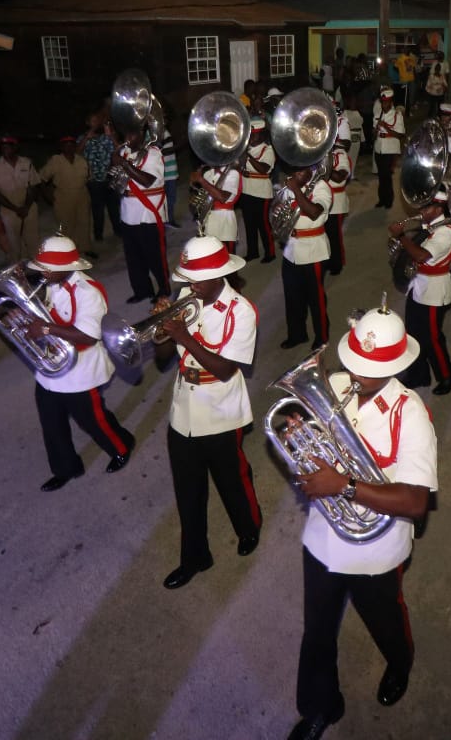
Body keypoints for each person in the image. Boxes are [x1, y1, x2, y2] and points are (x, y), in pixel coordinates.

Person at [287, 302, 438, 740]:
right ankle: (320, 707)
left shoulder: (410, 414)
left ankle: (399, 663)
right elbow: (314, 457)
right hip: (323, 541)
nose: (354, 376)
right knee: (316, 631)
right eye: (352, 363)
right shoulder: (333, 384)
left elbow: (415, 502)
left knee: (385, 622)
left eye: (367, 369)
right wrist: (304, 439)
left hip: (378, 549)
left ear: (394, 366)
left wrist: (344, 485)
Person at [154, 236, 261, 590]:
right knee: (188, 489)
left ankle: (248, 529)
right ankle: (195, 556)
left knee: (232, 479)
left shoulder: (241, 311)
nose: (189, 285)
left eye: (196, 279)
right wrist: (162, 332)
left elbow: (226, 369)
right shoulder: (188, 298)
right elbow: (162, 361)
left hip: (220, 409)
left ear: (219, 275)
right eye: (187, 278)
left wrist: (182, 336)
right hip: (183, 408)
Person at [17, 234, 134, 491]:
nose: (41, 273)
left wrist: (45, 329)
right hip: (51, 368)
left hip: (82, 370)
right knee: (51, 421)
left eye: (46, 269)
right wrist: (23, 317)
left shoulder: (89, 293)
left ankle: (121, 446)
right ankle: (66, 468)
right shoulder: (48, 283)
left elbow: (88, 336)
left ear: (66, 268)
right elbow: (42, 314)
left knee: (92, 420)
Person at [391, 193, 451, 395]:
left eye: (426, 208)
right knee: (413, 333)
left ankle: (448, 376)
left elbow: (422, 255)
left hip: (434, 292)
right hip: (418, 287)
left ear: (439, 209)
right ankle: (419, 375)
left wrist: (402, 237)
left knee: (432, 338)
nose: (421, 212)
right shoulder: (431, 228)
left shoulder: (446, 232)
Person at [112, 123, 169, 303]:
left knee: (154, 256)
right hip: (128, 212)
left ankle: (164, 289)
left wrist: (124, 165)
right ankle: (142, 290)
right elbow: (118, 179)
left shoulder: (153, 154)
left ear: (142, 134)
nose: (128, 138)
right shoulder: (124, 152)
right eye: (126, 133)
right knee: (133, 257)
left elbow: (146, 180)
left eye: (132, 134)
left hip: (148, 213)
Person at [279, 165, 333, 350]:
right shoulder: (289, 187)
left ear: (311, 170)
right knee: (292, 296)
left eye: (301, 171)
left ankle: (322, 336)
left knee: (315, 298)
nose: (296, 175)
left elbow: (314, 212)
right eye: (294, 171)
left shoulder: (321, 187)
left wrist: (295, 189)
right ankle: (297, 334)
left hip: (313, 250)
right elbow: (281, 212)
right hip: (291, 249)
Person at [0, 135, 41, 261]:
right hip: (9, 211)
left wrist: (26, 207)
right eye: (2, 147)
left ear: (15, 147)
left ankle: (38, 269)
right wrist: (16, 209)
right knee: (14, 244)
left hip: (28, 208)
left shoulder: (26, 163)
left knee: (33, 241)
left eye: (8, 146)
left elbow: (33, 186)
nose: (5, 149)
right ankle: (19, 273)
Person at [240, 118, 278, 262]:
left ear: (262, 135)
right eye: (250, 135)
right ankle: (252, 251)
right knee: (249, 223)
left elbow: (264, 169)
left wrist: (248, 157)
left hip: (261, 192)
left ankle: (270, 253)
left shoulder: (267, 150)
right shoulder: (245, 149)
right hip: (246, 190)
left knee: (263, 223)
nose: (251, 138)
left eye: (254, 135)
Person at [82, 113, 120, 243]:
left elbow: (120, 149)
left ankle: (118, 230)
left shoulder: (106, 137)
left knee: (114, 207)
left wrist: (111, 135)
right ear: (87, 122)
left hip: (110, 177)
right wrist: (87, 137)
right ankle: (98, 234)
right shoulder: (84, 138)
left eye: (98, 120)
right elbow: (75, 152)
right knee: (97, 210)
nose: (96, 123)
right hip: (94, 180)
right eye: (93, 120)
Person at [193, 158, 242, 252]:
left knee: (228, 258)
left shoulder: (232, 173)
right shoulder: (208, 173)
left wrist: (201, 180)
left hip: (225, 221)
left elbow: (222, 197)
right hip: (207, 221)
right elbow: (202, 196)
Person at [371, 89, 406, 210]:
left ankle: (389, 200)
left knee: (386, 175)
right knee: (381, 175)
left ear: (391, 102)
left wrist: (386, 127)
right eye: (382, 102)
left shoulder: (397, 115)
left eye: (386, 102)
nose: (384, 105)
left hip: (390, 149)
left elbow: (401, 135)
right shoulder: (377, 114)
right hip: (379, 148)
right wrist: (374, 132)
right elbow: (373, 133)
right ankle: (381, 199)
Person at [326, 122, 352, 274]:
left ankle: (337, 264)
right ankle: (328, 260)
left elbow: (340, 177)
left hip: (336, 202)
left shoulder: (340, 155)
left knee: (334, 235)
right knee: (326, 235)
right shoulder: (323, 156)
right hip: (322, 199)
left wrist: (325, 165)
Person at [159, 117, 182, 227]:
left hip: (170, 170)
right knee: (168, 198)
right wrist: (178, 146)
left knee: (171, 197)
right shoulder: (155, 134)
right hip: (163, 171)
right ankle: (168, 220)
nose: (165, 118)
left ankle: (168, 219)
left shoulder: (164, 131)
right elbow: (161, 151)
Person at [422, 53, 448, 121]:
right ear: (435, 69)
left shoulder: (442, 76)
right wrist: (430, 91)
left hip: (440, 94)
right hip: (433, 94)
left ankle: (438, 117)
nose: (437, 70)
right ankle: (430, 118)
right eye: (436, 68)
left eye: (438, 68)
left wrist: (444, 89)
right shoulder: (431, 76)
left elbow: (445, 85)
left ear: (439, 69)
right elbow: (427, 86)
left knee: (439, 107)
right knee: (432, 106)